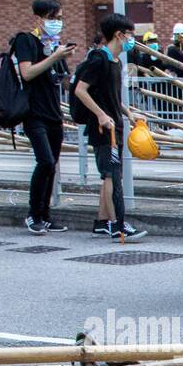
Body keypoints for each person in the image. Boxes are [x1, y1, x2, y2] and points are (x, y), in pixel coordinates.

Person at [72, 13, 145, 242]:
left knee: (109, 176)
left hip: (116, 124)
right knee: (112, 176)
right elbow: (80, 90)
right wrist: (102, 115)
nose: (132, 40)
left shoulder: (115, 61)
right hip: (104, 129)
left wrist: (128, 112)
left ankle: (103, 223)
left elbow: (110, 96)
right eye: (130, 35)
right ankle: (119, 225)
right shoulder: (98, 60)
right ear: (119, 35)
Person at [14, 0, 76, 235]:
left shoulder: (54, 44)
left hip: (53, 112)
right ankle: (33, 214)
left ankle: (45, 215)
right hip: (32, 112)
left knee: (52, 166)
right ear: (38, 19)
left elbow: (64, 81)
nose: (57, 23)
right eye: (52, 18)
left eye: (60, 18)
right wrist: (54, 57)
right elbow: (27, 72)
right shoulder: (26, 40)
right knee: (45, 161)